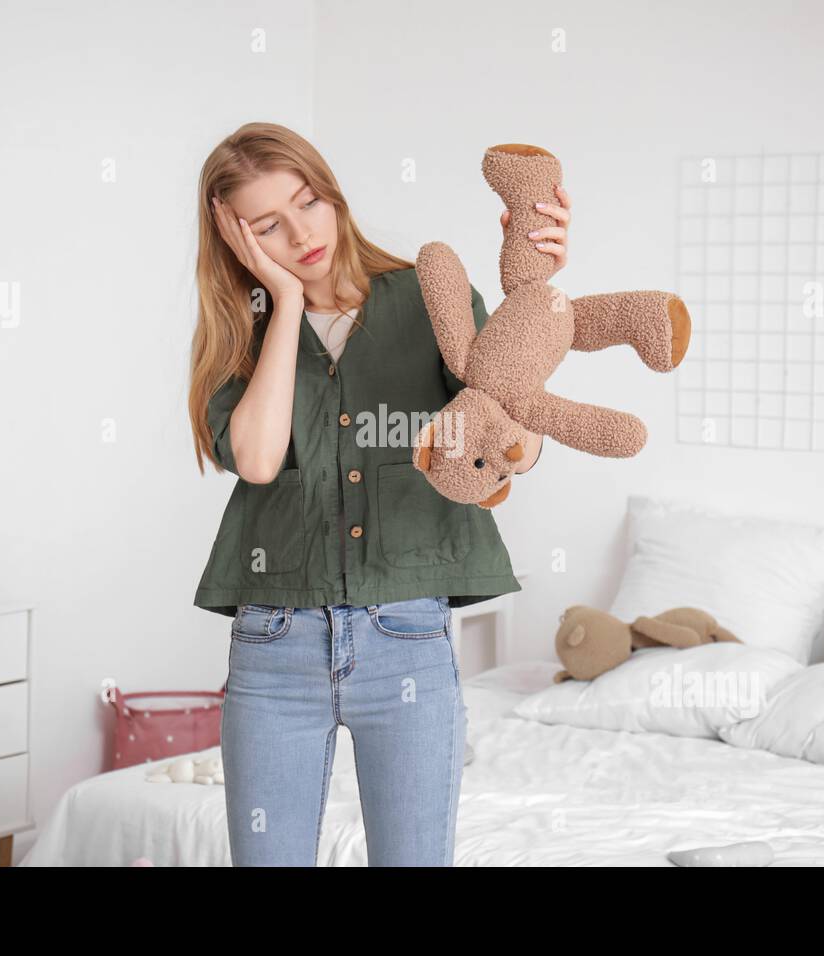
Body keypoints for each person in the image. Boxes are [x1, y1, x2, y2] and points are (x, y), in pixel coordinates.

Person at [187, 122, 570, 866]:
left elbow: (517, 436)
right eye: (269, 224)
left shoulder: (433, 298)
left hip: (406, 641)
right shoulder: (240, 333)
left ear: (332, 193)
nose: (300, 233)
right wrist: (287, 304)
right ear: (236, 239)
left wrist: (535, 312)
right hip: (273, 652)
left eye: (308, 202)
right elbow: (259, 459)